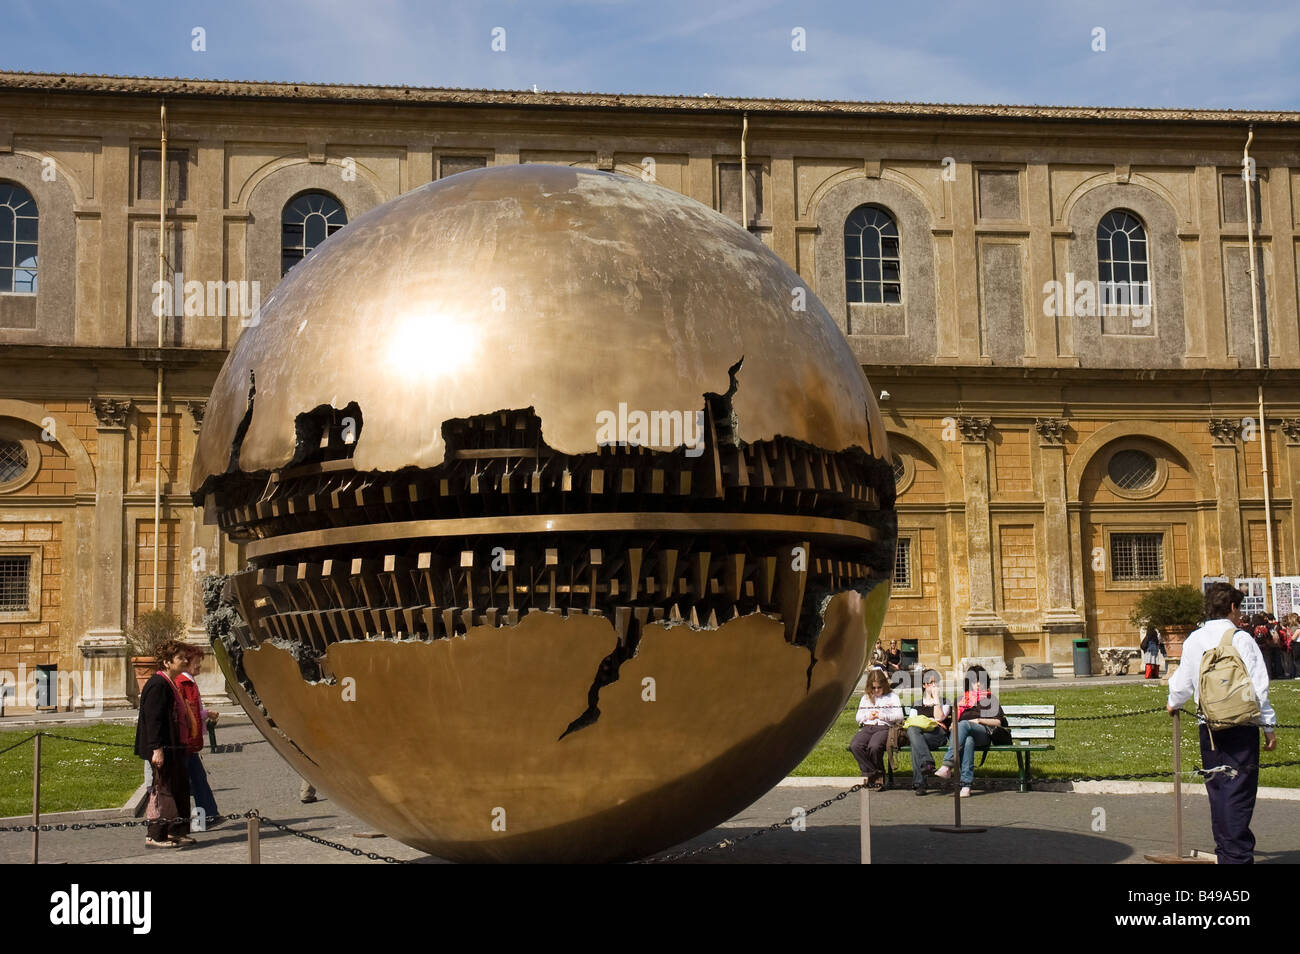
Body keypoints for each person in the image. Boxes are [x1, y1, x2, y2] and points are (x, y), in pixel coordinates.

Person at [1167, 581, 1277, 864]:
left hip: (1210, 726)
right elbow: (1258, 686)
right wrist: (1268, 727)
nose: (1240, 614)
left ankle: (1226, 850)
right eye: (1238, 608)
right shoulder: (1241, 639)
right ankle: (1236, 856)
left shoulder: (1194, 639)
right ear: (1231, 607)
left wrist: (1174, 702)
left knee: (1217, 788)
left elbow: (1183, 681)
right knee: (1239, 789)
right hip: (1242, 723)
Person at [134, 640, 196, 848]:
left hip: (174, 747)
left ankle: (173, 831)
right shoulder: (158, 685)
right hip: (163, 748)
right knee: (163, 791)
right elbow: (153, 720)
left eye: (185, 657)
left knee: (178, 789)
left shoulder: (169, 683)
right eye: (180, 657)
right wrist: (157, 749)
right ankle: (155, 834)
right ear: (167, 662)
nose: (185, 660)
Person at [934, 664, 1009, 797]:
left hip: (984, 733)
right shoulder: (961, 700)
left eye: (981, 681)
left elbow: (998, 722)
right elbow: (952, 725)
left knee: (964, 725)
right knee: (968, 740)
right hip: (963, 736)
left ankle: (947, 764)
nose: (978, 684)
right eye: (975, 681)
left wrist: (979, 720)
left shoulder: (990, 699)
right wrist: (955, 714)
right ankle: (966, 786)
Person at [177, 647, 220, 828]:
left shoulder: (189, 681)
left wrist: (205, 713)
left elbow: (193, 710)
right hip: (187, 740)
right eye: (197, 661)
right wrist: (204, 714)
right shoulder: (182, 683)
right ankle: (201, 819)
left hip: (191, 740)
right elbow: (187, 713)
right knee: (191, 781)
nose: (200, 665)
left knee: (198, 778)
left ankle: (209, 815)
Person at [848, 668, 904, 790]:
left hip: (884, 727)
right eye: (873, 688)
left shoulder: (892, 697)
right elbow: (858, 717)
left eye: (879, 687)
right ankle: (875, 773)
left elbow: (899, 716)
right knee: (855, 745)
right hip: (868, 726)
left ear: (884, 685)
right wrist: (869, 715)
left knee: (874, 746)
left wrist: (882, 715)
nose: (877, 690)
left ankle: (875, 777)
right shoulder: (866, 698)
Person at [905, 669, 950, 796]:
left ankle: (920, 782)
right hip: (920, 735)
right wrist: (931, 720)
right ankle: (927, 763)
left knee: (916, 741)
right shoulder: (917, 704)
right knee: (913, 732)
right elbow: (911, 722)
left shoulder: (945, 701)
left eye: (936, 683)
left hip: (937, 735)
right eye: (931, 683)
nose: (934, 686)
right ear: (924, 685)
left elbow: (940, 718)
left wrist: (935, 698)